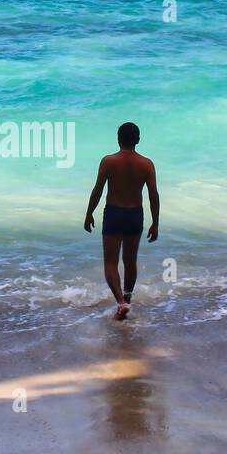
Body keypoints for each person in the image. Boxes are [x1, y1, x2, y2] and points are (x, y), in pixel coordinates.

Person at [84, 122, 159, 320]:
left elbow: (98, 190)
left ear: (118, 138)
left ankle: (120, 302)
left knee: (110, 263)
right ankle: (128, 299)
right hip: (135, 214)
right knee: (130, 261)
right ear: (138, 140)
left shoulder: (108, 161)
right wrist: (155, 223)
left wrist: (89, 213)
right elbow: (153, 195)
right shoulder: (147, 164)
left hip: (114, 213)